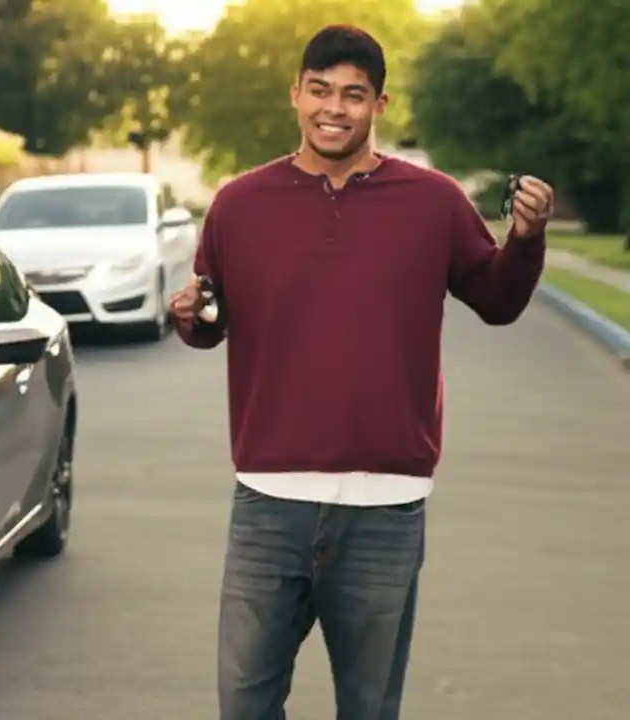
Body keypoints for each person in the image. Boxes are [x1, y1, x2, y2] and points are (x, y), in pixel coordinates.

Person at [169, 24, 555, 720]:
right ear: (296, 94)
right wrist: (193, 319)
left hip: (386, 507)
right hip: (267, 500)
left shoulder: (434, 203)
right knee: (244, 707)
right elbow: (215, 316)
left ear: (381, 104)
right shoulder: (239, 203)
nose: (333, 108)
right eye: (319, 90)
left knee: (370, 709)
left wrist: (525, 243)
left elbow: (497, 302)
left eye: (353, 94)